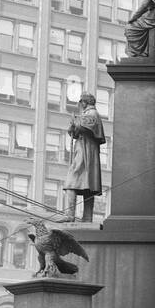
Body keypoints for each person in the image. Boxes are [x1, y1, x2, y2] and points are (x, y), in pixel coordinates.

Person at [62, 92, 106, 223]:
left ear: (84, 102)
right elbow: (76, 131)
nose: (80, 105)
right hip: (83, 149)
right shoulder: (87, 114)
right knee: (87, 184)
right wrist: (73, 126)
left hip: (86, 152)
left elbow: (86, 127)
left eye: (80, 103)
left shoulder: (92, 113)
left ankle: (71, 215)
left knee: (72, 182)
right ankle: (87, 217)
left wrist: (76, 121)